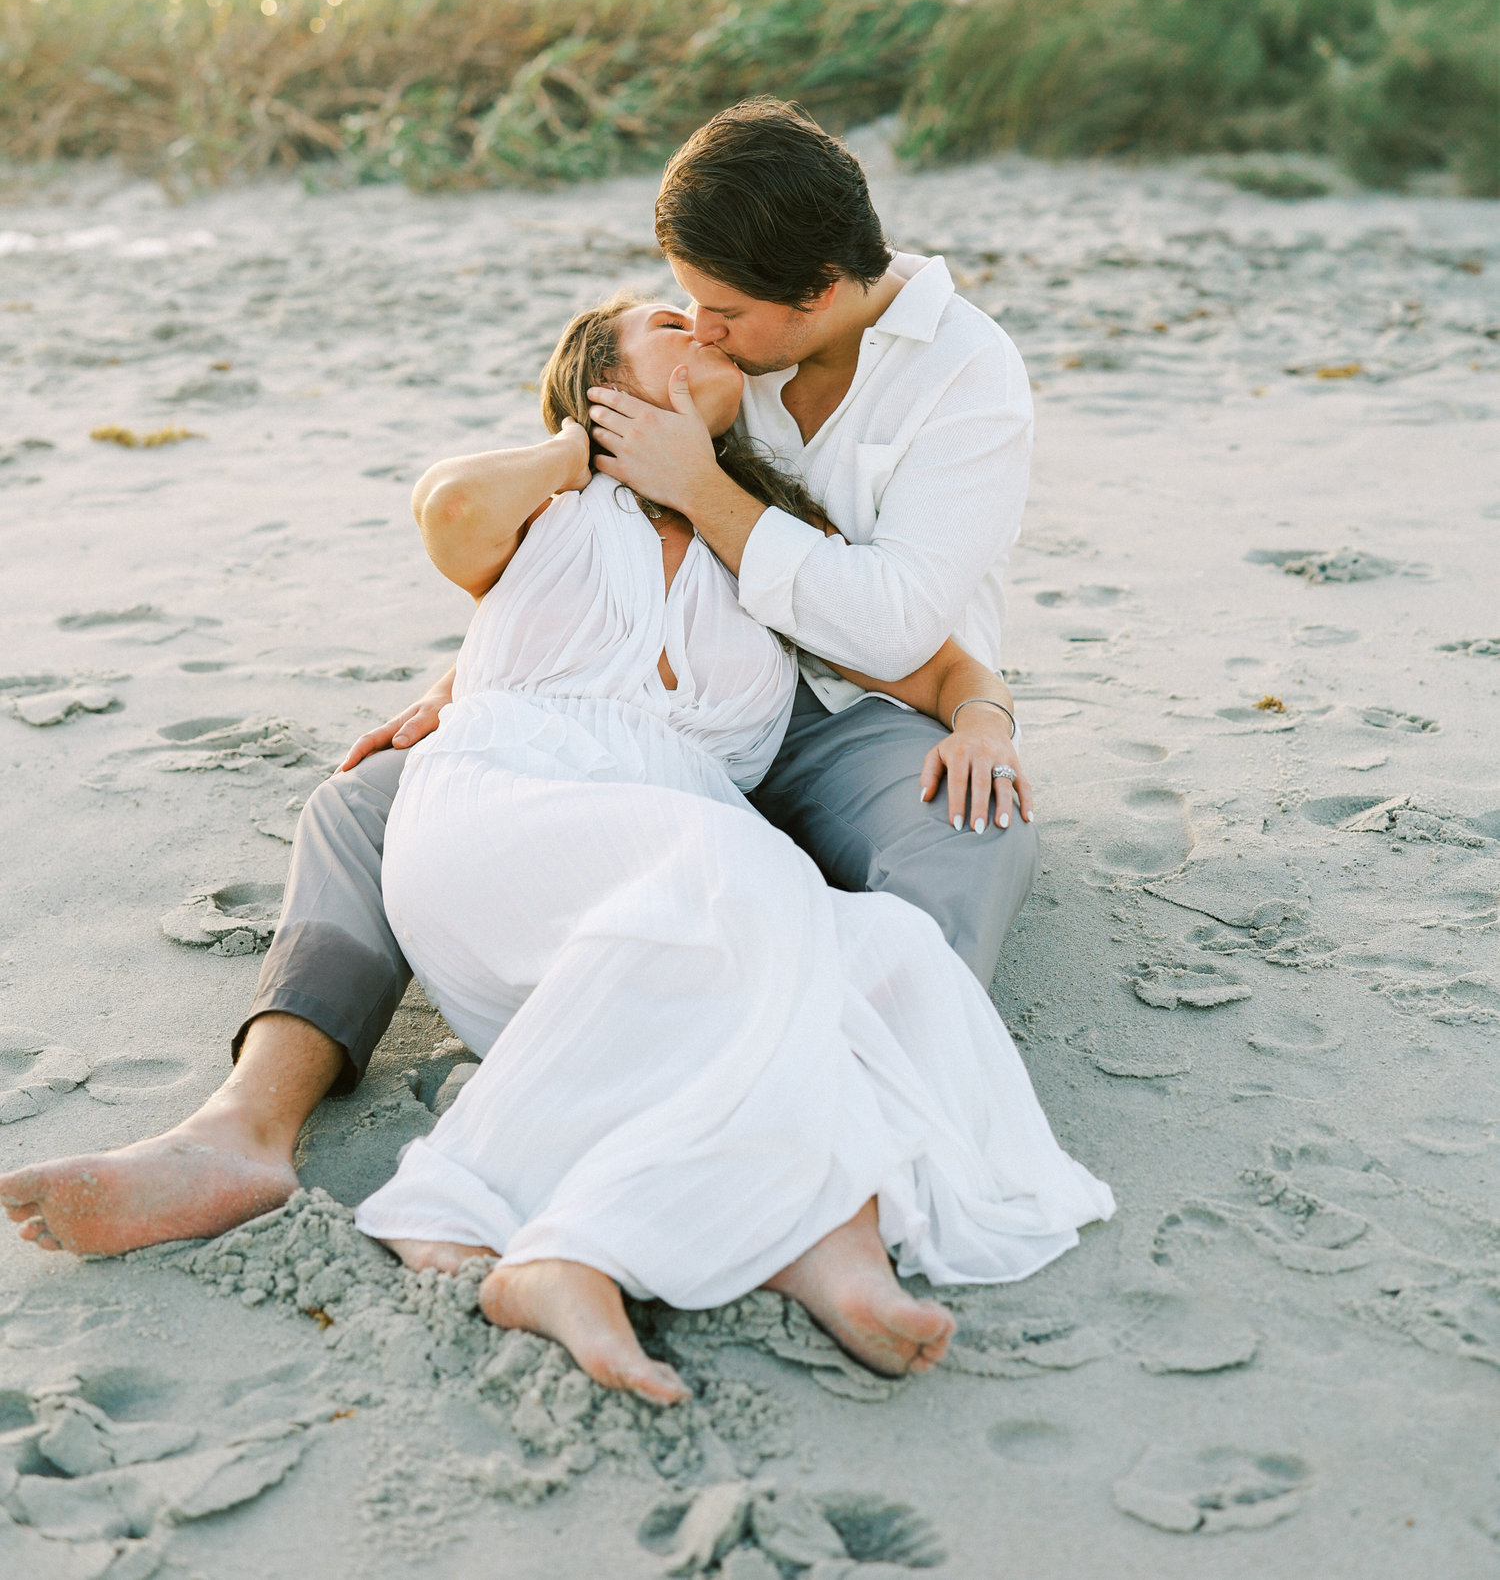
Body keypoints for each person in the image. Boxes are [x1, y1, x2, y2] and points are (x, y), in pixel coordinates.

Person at [2, 99, 1039, 1264]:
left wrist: (981, 705)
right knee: (366, 799)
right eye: (685, 300)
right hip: (652, 712)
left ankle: (858, 1119)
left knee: (972, 825)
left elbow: (901, 620)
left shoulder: (966, 379)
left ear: (827, 288)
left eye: (727, 314)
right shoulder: (725, 335)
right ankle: (242, 1125)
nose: (703, 330)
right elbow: (575, 513)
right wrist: (490, 667)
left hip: (859, 699)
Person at [352, 293, 1111, 1397]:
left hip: (670, 904)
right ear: (600, 377)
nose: (706, 331)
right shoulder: (554, 518)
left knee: (888, 961)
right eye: (670, 323)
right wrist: (587, 446)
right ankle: (512, 1223)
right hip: (505, 816)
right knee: (749, 874)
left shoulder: (767, 555)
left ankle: (819, 1234)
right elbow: (451, 504)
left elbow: (940, 667)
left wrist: (986, 719)